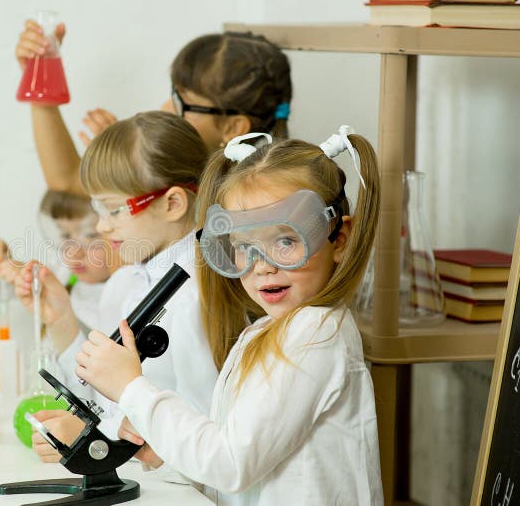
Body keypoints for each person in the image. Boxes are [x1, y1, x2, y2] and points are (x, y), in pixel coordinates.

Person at [74, 127, 384, 505]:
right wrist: (164, 452)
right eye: (244, 245)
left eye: (286, 240)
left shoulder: (314, 335)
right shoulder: (266, 331)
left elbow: (231, 466)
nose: (262, 266)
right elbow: (234, 464)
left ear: (339, 239)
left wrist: (131, 388)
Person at [14, 111, 219, 461]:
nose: (102, 226)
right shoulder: (125, 283)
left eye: (114, 210)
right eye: (98, 209)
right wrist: (62, 320)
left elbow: (205, 440)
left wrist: (100, 438)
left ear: (172, 203)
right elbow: (103, 400)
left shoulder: (200, 296)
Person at [15, 20, 292, 195]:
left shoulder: (248, 202)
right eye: (173, 93)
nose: (164, 107)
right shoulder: (178, 168)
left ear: (233, 127)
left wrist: (127, 166)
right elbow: (65, 179)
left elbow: (66, 180)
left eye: (182, 103)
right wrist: (39, 80)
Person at [0, 189, 114, 340]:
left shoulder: (125, 294)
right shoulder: (61, 274)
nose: (73, 252)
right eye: (65, 235)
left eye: (90, 236)